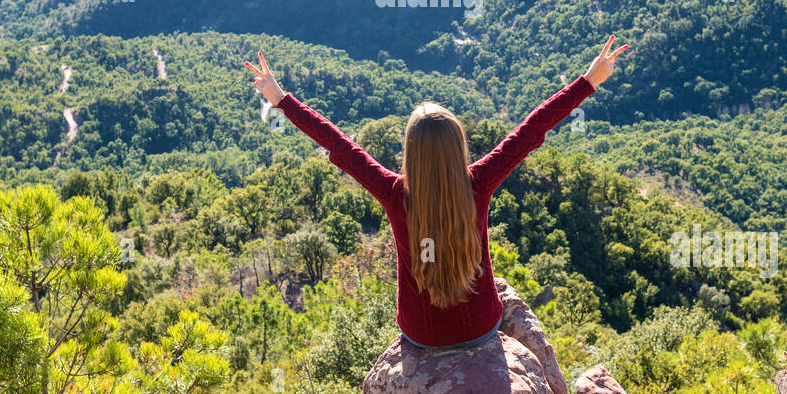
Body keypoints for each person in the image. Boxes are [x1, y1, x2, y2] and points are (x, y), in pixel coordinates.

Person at [245, 35, 629, 351]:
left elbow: (339, 145)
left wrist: (281, 99)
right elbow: (530, 131)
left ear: (411, 152)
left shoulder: (395, 193)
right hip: (480, 327)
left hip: (421, 336)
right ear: (458, 147)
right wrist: (589, 81)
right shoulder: (480, 181)